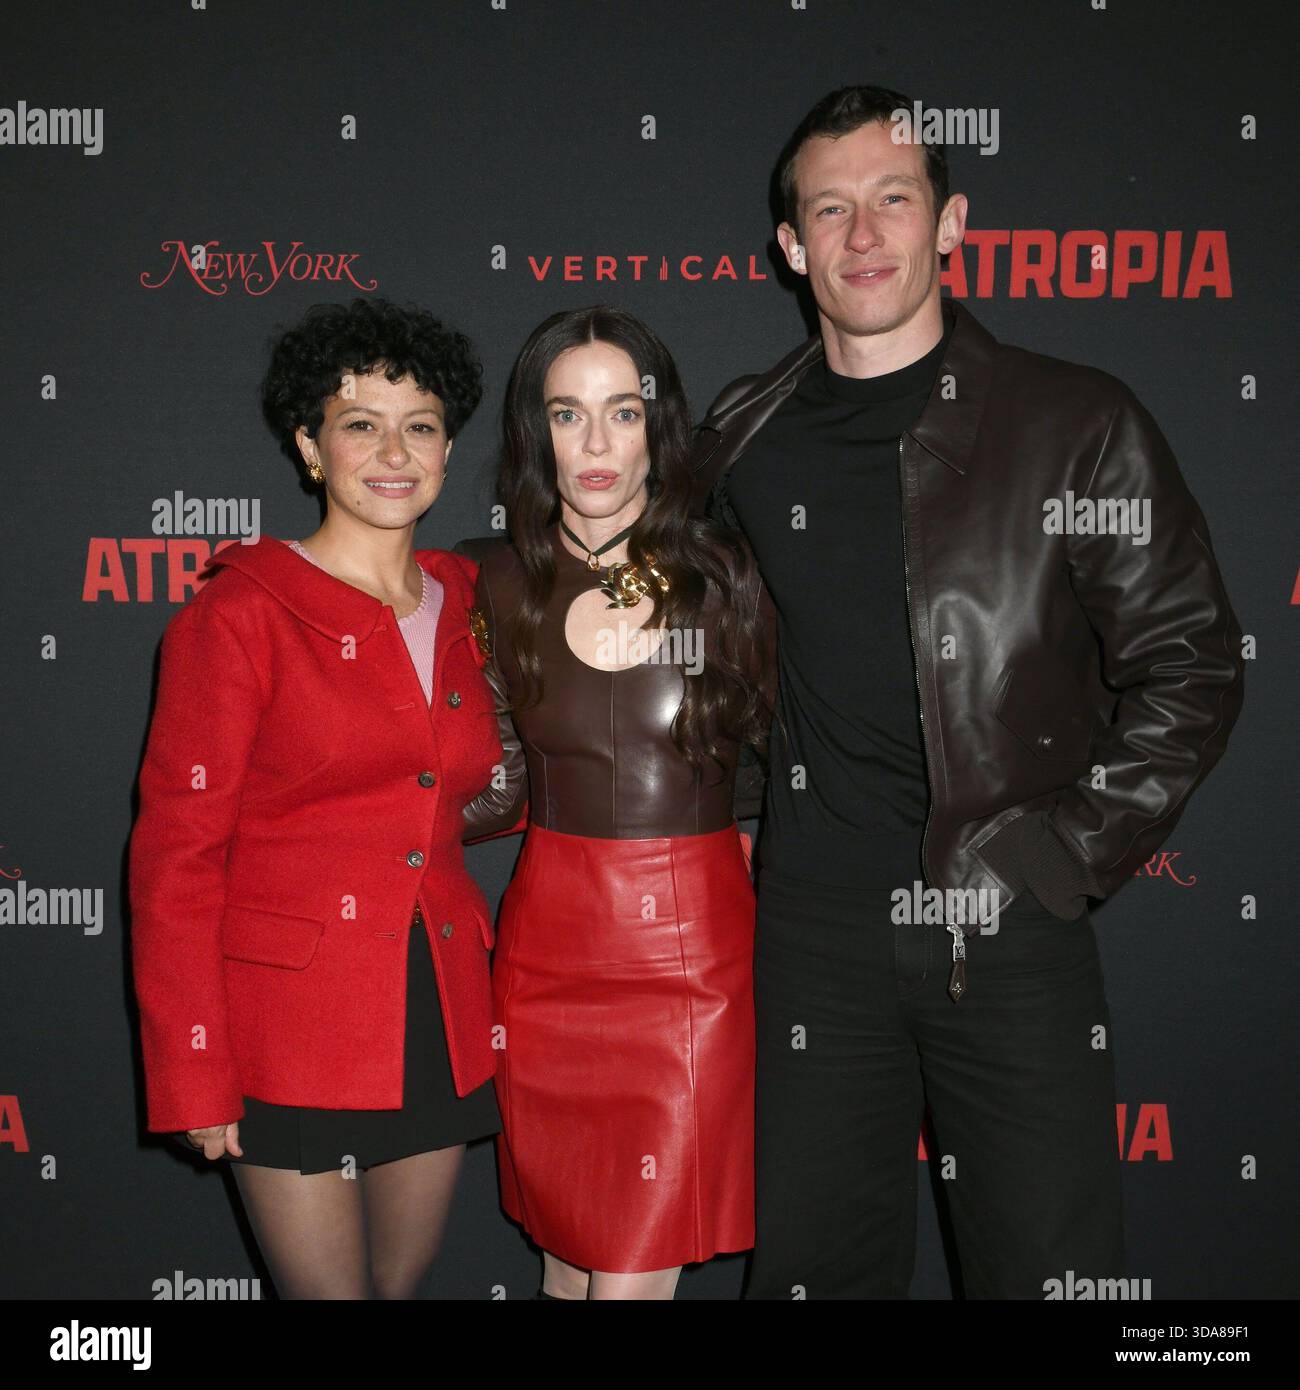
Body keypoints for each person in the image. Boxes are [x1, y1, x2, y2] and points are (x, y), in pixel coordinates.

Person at [689, 85, 1246, 1298]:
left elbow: (1194, 659)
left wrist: (1060, 855)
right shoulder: (742, 435)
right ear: (789, 247)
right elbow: (707, 652)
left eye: (894, 199)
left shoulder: (1072, 422)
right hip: (808, 943)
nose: (862, 234)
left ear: (951, 223)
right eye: (828, 210)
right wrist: (733, 824)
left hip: (1000, 923)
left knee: (1049, 1274)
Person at [129, 297, 520, 1299]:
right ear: (310, 446)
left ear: (445, 448)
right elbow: (175, 858)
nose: (394, 450)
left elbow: (466, 781)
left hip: (433, 1007)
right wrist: (194, 1064)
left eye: (420, 425)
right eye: (360, 424)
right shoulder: (240, 613)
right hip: (282, 1023)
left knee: (401, 1284)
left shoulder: (466, 600)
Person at [456, 304, 776, 1300]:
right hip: (548, 949)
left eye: (622, 413)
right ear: (533, 431)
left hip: (693, 956)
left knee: (634, 1269)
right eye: (566, 413)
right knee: (565, 1252)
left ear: (659, 427)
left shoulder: (727, 576)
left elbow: (773, 772)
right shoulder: (487, 577)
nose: (594, 443)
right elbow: (478, 773)